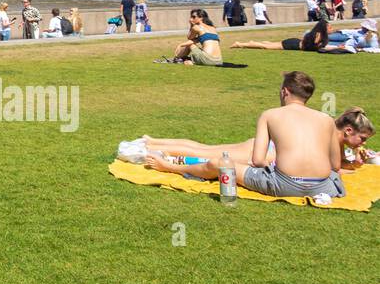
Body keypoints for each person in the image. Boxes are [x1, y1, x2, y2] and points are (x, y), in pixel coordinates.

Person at [145, 71, 345, 201]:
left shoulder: (270, 115)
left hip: (284, 185)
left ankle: (169, 166)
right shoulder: (326, 119)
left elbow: (258, 160)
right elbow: (335, 166)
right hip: (324, 187)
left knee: (219, 163)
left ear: (285, 92)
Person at [141, 106, 374, 171]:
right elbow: (331, 167)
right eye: (362, 138)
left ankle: (153, 141)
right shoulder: (333, 138)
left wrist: (351, 163)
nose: (363, 143)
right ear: (348, 131)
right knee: (205, 153)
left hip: (265, 146)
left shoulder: (332, 134)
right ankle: (153, 148)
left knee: (207, 148)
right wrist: (351, 166)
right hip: (267, 153)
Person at [233, 19, 331, 52]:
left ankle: (252, 43)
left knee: (271, 44)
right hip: (292, 44)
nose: (329, 29)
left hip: (294, 42)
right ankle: (240, 44)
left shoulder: (318, 34)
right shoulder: (318, 34)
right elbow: (315, 44)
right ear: (323, 27)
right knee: (266, 47)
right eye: (328, 27)